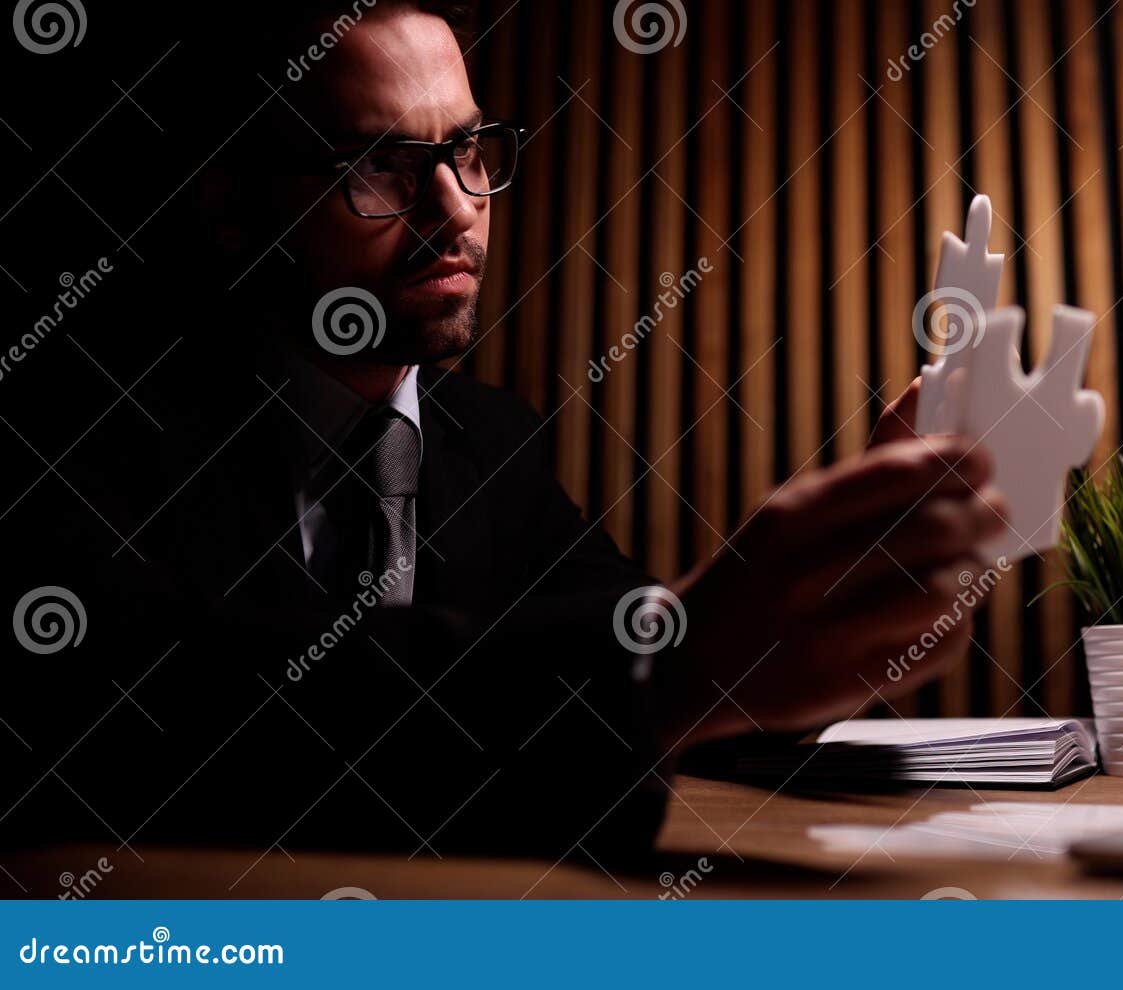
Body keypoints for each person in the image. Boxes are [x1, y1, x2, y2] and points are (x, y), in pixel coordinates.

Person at [0, 1, 1007, 865]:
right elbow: (182, 720)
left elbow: (653, 675)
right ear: (232, 206)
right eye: (382, 165)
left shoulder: (492, 443)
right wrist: (680, 665)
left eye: (470, 153)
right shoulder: (89, 433)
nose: (455, 211)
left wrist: (849, 594)